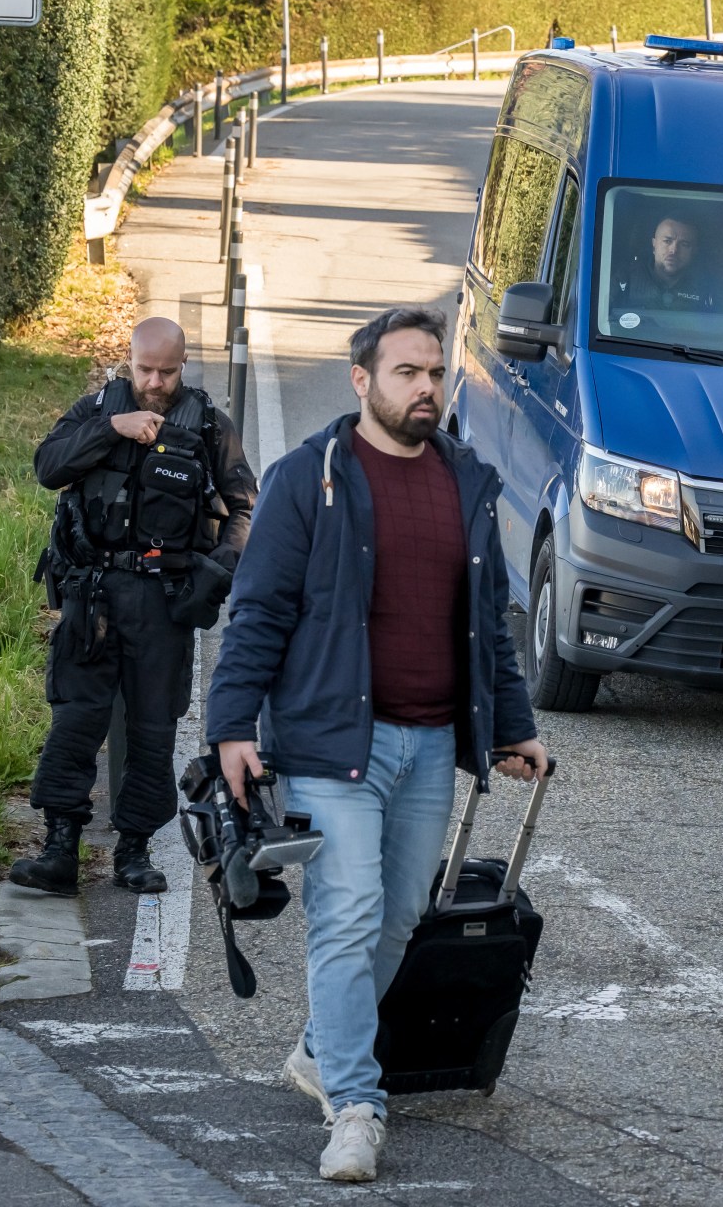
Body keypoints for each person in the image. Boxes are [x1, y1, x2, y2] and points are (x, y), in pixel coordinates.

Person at [204, 305, 548, 1184]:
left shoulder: (465, 480)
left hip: (431, 743)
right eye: (407, 373)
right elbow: (259, 611)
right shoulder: (308, 477)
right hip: (330, 744)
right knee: (348, 914)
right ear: (363, 382)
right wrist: (231, 726)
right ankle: (356, 1104)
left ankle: (322, 1046)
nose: (426, 387)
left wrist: (511, 725)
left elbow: (488, 628)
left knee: (397, 920)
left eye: (435, 372)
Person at [13, 317, 256, 898]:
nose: (153, 382)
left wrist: (214, 575)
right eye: (144, 369)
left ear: (184, 365)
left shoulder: (207, 424)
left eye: (166, 371)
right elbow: (48, 467)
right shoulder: (99, 406)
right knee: (75, 719)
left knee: (152, 730)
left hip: (163, 602)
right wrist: (112, 429)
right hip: (91, 595)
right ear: (129, 359)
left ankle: (134, 851)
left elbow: (245, 510)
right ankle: (58, 849)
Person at [614, 214, 717, 311]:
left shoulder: (707, 287)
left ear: (695, 251)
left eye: (684, 244)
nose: (674, 250)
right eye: (667, 241)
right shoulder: (625, 278)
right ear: (654, 244)